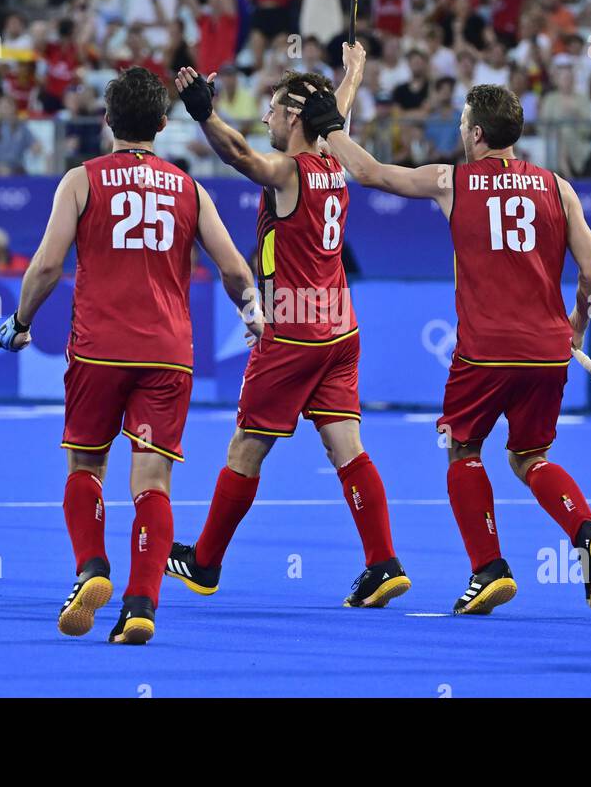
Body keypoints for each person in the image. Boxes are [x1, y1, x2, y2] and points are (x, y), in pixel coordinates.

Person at [301, 42, 591, 615]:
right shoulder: (558, 187)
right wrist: (576, 323)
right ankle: (587, 531)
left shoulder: (452, 181)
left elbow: (370, 172)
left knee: (462, 448)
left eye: (463, 123)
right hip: (548, 352)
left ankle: (489, 568)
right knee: (530, 458)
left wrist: (330, 124)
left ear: (476, 135)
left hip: (485, 352)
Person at [0, 66, 260, 644]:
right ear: (164, 124)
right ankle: (141, 605)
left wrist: (20, 322)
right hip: (168, 355)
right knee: (153, 483)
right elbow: (235, 268)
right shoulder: (190, 188)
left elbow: (44, 266)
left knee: (86, 467)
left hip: (98, 351)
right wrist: (252, 313)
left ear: (107, 120)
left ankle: (91, 568)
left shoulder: (80, 179)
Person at [167, 56, 412, 610]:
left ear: (295, 115)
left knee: (247, 444)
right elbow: (334, 115)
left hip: (294, 333)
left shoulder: (290, 170)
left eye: (273, 110)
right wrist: (353, 73)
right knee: (347, 446)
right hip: (340, 327)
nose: (266, 121)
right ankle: (383, 562)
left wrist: (205, 115)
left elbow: (239, 155)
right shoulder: (332, 157)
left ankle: (204, 562)